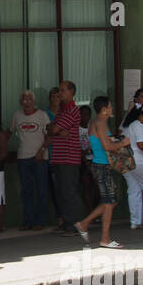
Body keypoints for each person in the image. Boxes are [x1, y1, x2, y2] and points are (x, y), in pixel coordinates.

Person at [73, 97, 127, 247]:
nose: (111, 109)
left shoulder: (97, 122)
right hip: (101, 165)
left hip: (101, 165)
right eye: (110, 106)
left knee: (111, 200)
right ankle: (105, 238)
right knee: (109, 202)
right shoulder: (100, 123)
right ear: (103, 109)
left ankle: (84, 223)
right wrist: (123, 143)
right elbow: (107, 146)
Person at [9, 90, 50, 231]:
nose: (27, 103)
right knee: (26, 191)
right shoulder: (17, 115)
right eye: (24, 100)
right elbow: (10, 132)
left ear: (34, 101)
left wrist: (42, 150)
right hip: (22, 157)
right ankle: (28, 221)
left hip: (39, 158)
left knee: (41, 190)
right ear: (21, 102)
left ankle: (40, 221)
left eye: (29, 100)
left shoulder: (42, 115)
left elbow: (49, 136)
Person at [47, 81, 84, 237]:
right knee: (61, 192)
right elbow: (49, 129)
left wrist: (55, 130)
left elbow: (53, 128)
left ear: (71, 92)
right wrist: (55, 130)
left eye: (62, 91)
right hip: (59, 157)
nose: (59, 94)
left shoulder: (71, 110)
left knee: (68, 192)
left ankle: (74, 225)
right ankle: (66, 223)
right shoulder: (62, 110)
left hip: (69, 158)